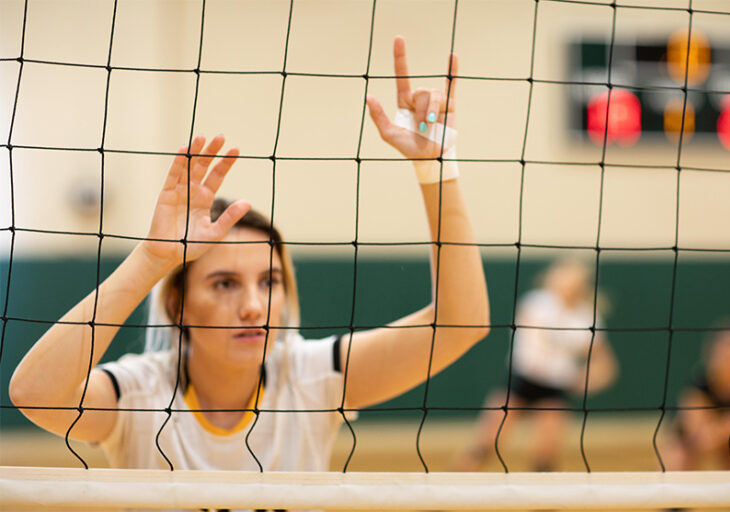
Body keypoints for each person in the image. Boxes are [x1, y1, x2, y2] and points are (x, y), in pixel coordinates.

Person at [9, 36, 489, 479]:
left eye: (269, 281)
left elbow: (461, 323)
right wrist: (153, 259)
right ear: (179, 306)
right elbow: (34, 395)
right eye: (224, 283)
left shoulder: (312, 379)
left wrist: (435, 167)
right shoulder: (139, 393)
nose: (254, 306)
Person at [453, 259, 617, 472]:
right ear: (552, 278)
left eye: (575, 280)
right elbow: (533, 342)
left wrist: (587, 380)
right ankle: (444, 494)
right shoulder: (536, 304)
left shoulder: (587, 318)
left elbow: (604, 364)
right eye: (564, 277)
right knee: (485, 445)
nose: (568, 284)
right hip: (521, 381)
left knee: (545, 457)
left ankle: (542, 504)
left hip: (554, 390)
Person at [665, 325, 730, 472]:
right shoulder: (699, 386)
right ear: (716, 358)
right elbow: (700, 441)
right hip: (688, 440)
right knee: (679, 456)